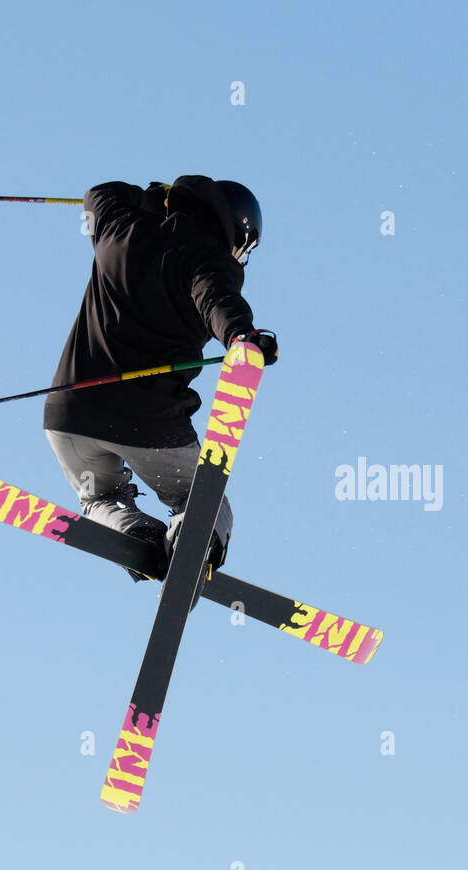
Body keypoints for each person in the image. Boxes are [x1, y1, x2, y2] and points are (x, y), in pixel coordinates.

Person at [43, 177, 278, 580]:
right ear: (237, 230)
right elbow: (217, 299)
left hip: (69, 414)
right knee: (201, 499)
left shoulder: (121, 227)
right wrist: (243, 338)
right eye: (247, 246)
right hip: (146, 420)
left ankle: (135, 534)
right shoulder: (208, 256)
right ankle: (194, 538)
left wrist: (151, 200)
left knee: (100, 497)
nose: (242, 256)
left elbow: (99, 194)